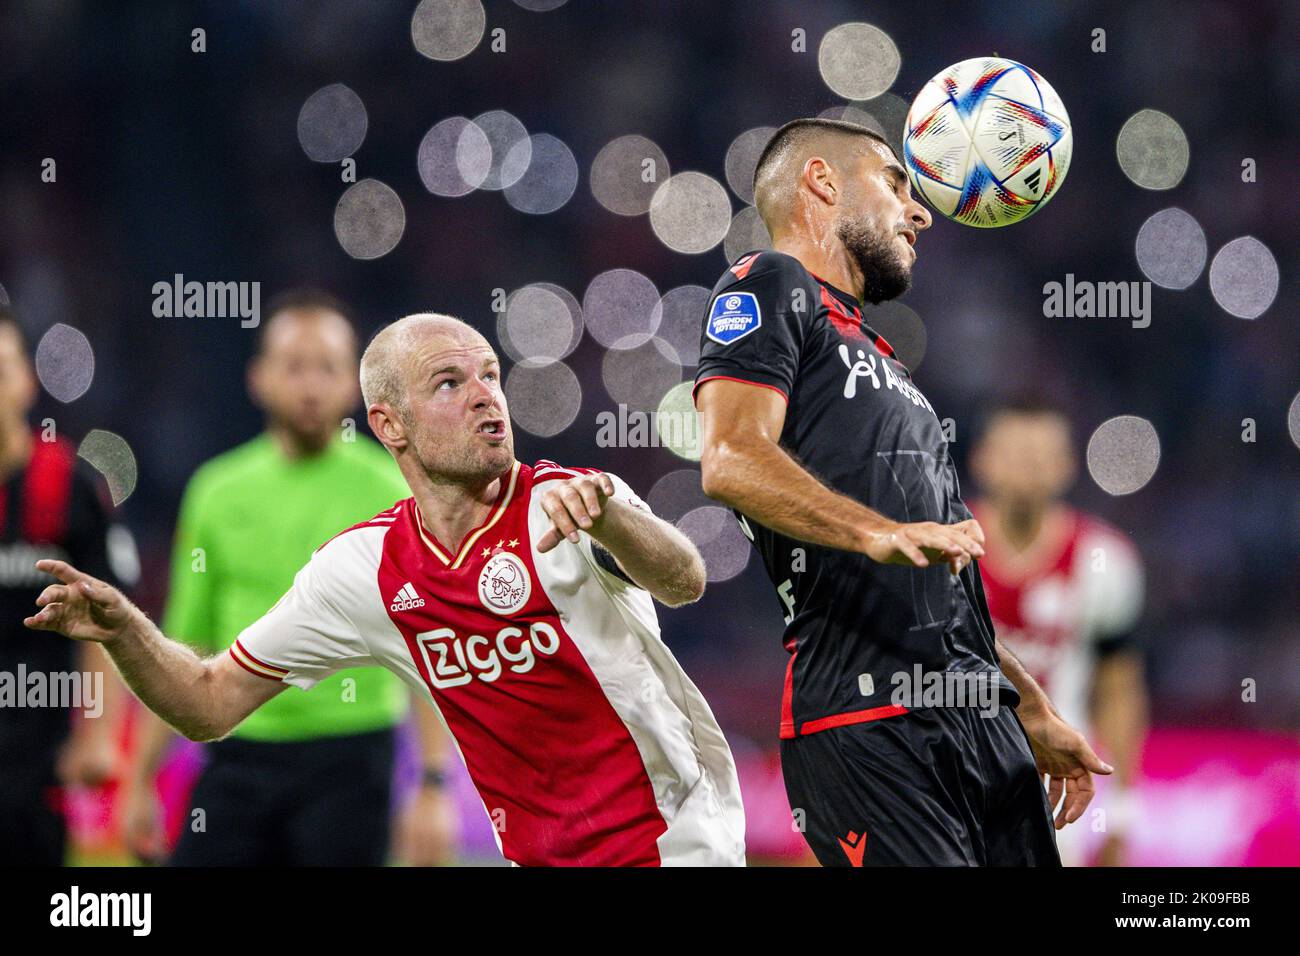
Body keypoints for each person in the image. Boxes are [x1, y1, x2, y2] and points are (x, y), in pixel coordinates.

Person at [28, 312, 746, 867]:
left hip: (676, 842)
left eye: (490, 375)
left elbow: (683, 578)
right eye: (449, 382)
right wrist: (125, 630)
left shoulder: (566, 501)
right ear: (389, 425)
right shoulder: (364, 567)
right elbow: (210, 702)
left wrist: (617, 518)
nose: (486, 397)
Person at [693, 118, 1108, 866]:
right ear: (821, 182)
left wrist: (1029, 705)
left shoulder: (890, 368)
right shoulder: (769, 282)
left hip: (979, 722)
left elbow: (948, 582)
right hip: (868, 719)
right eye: (895, 183)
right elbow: (729, 457)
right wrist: (868, 532)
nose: (919, 211)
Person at [122, 290, 459, 867]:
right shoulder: (217, 490)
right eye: (293, 366)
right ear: (258, 378)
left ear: (355, 385)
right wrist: (139, 779)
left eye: (327, 367)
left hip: (352, 763)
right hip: (238, 749)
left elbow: (428, 642)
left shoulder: (393, 488)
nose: (310, 385)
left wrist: (433, 786)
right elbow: (186, 636)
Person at [969, 396, 1147, 866]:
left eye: (1041, 457)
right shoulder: (940, 548)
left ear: (1067, 466)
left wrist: (1123, 810)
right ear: (981, 459)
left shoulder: (1104, 561)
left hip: (1051, 790)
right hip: (946, 778)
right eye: (1014, 454)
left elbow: (1118, 689)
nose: (1027, 469)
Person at [0, 306, 138, 865]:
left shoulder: (67, 485)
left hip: (40, 747)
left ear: (28, 382)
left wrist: (99, 735)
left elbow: (109, 621)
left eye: (1, 370)